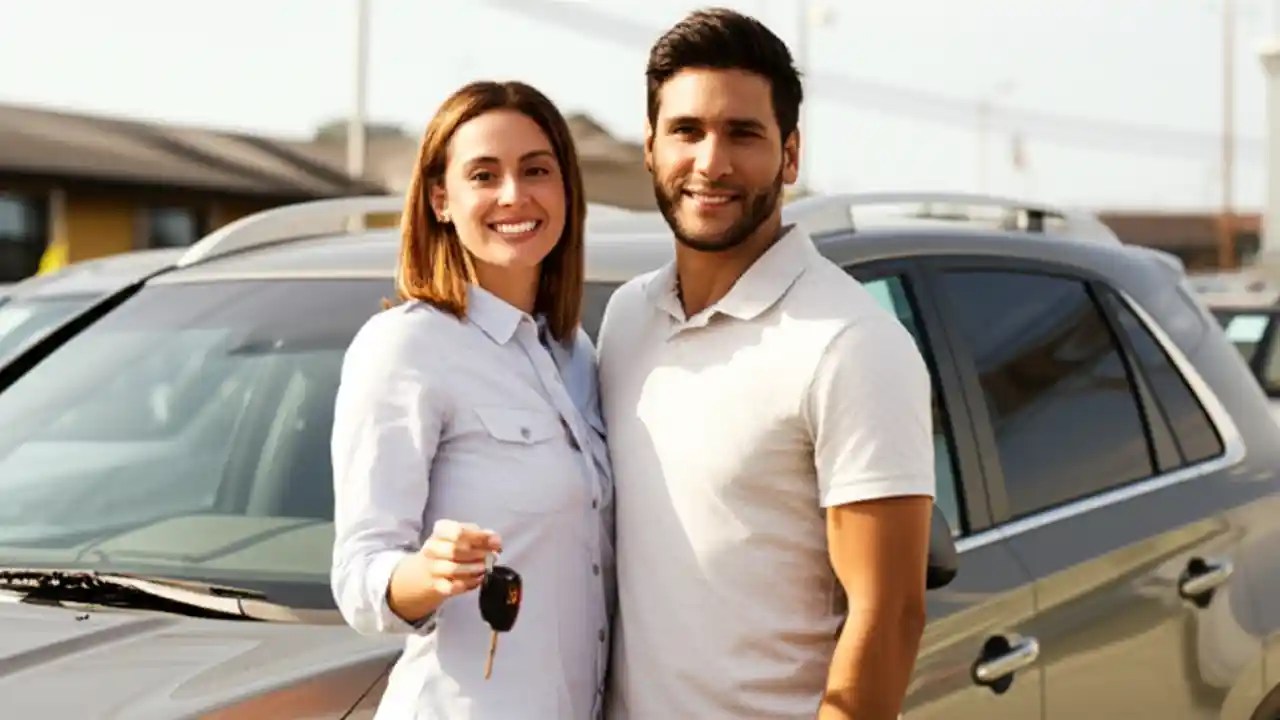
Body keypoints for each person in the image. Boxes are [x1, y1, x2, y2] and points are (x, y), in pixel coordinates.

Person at [596, 8, 935, 720]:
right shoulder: (628, 318)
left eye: (742, 134)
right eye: (686, 131)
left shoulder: (850, 344)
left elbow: (891, 614)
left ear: (790, 154)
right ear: (651, 149)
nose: (711, 163)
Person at [330, 80, 613, 720]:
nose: (514, 194)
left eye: (536, 170)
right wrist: (427, 574)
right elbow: (359, 576)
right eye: (484, 174)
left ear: (566, 189)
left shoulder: (577, 354)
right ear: (441, 199)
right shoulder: (406, 347)